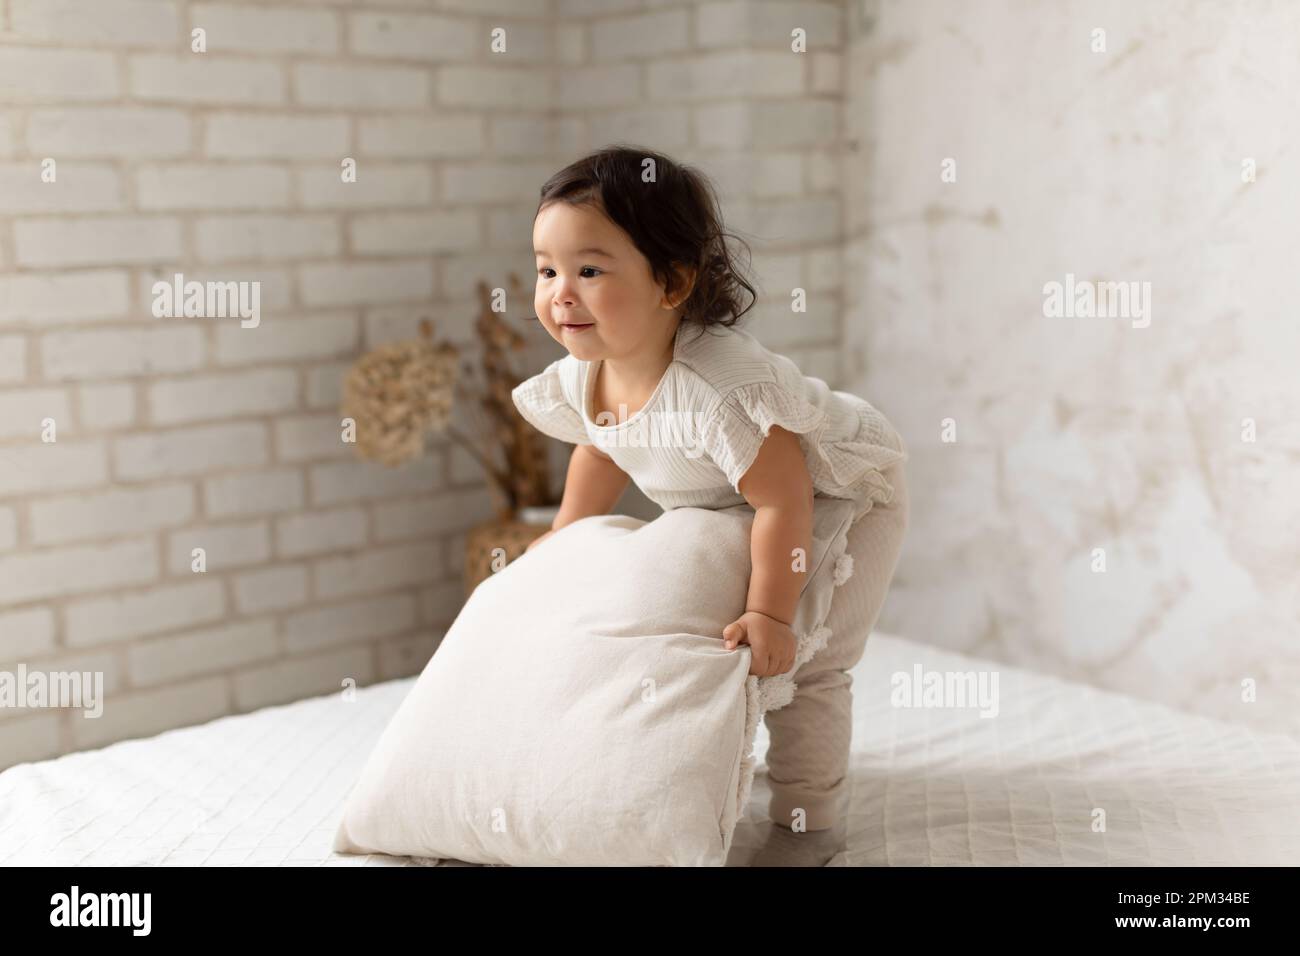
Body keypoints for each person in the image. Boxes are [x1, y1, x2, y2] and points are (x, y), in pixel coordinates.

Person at [511, 145, 910, 865]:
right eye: (547, 270)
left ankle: (808, 821)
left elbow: (784, 500)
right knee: (712, 649)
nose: (561, 293)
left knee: (805, 664)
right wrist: (566, 531)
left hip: (843, 493)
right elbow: (603, 446)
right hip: (747, 509)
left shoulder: (719, 390)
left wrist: (771, 614)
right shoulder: (585, 372)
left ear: (672, 282)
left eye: (589, 271)